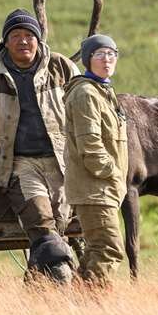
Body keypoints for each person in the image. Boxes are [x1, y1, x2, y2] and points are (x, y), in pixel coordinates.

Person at [0, 8, 79, 282]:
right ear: (5, 42)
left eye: (29, 35)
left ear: (39, 39)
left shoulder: (62, 67)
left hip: (61, 162)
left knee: (59, 223)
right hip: (16, 165)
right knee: (42, 222)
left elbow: (82, 113)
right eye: (16, 35)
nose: (23, 41)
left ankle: (36, 284)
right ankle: (65, 280)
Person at [63, 34, 128, 287]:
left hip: (104, 188)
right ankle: (95, 303)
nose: (107, 59)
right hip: (95, 188)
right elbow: (90, 146)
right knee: (108, 249)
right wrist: (111, 172)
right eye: (100, 54)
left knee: (95, 250)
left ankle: (80, 306)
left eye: (112, 54)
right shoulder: (86, 94)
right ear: (88, 60)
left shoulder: (103, 91)